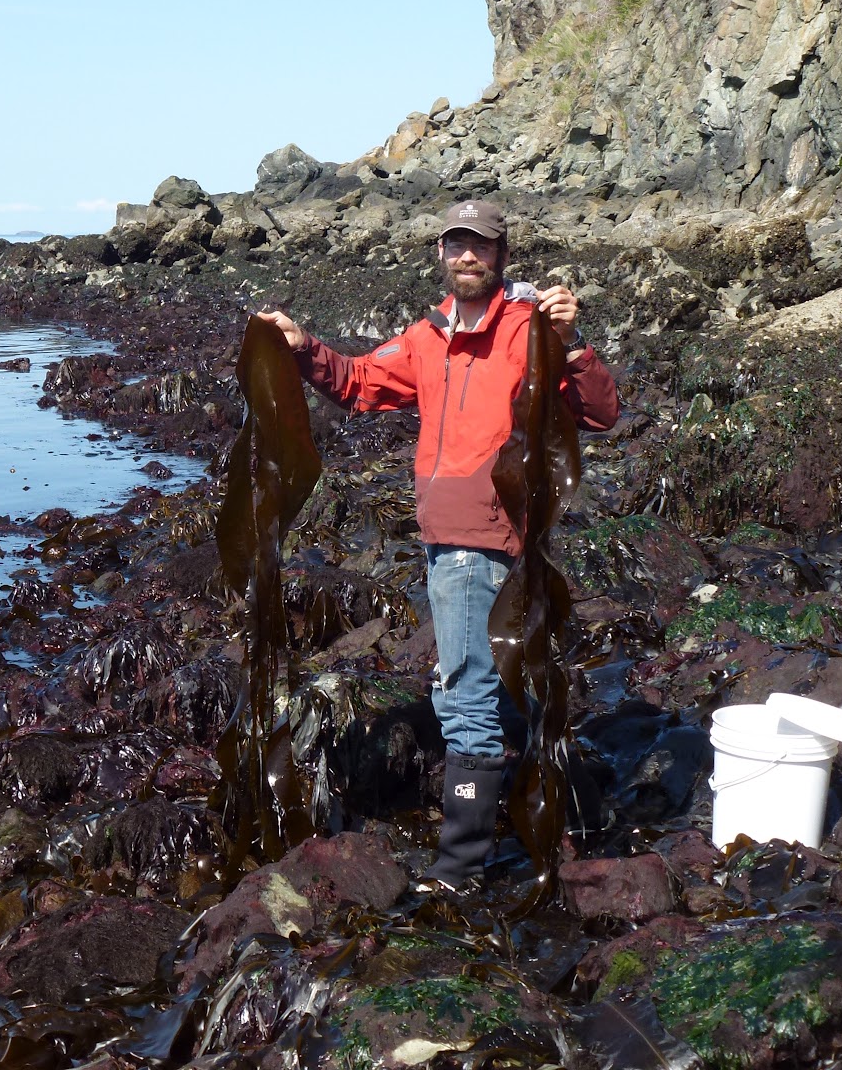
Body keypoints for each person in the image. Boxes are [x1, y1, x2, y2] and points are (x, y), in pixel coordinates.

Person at [260, 199, 620, 888]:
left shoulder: (529, 327)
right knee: (518, 688)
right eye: (456, 244)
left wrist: (574, 344)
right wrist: (305, 349)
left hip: (485, 542)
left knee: (463, 695)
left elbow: (601, 413)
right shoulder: (426, 337)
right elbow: (361, 383)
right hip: (447, 539)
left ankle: (461, 867)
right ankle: (586, 818)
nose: (467, 257)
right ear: (440, 254)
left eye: (480, 246)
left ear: (501, 255)